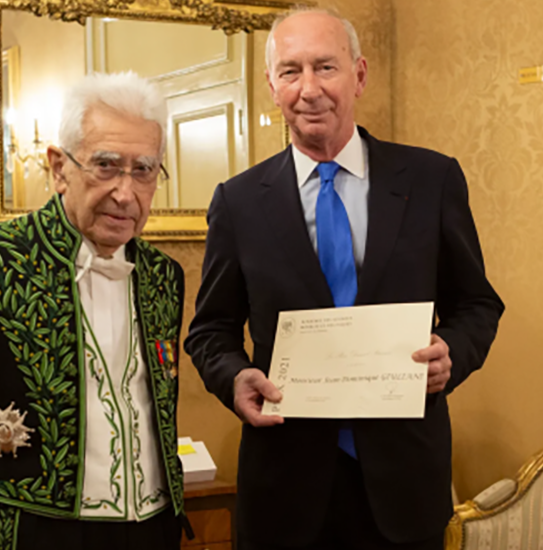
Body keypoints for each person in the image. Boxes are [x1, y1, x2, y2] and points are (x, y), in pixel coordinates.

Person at [184, 9, 505, 550]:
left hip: (405, 485)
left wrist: (453, 350)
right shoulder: (237, 202)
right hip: (284, 489)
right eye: (290, 72)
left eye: (325, 68)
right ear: (271, 85)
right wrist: (234, 378)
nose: (309, 89)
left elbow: (477, 303)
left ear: (358, 75)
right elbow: (210, 330)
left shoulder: (431, 179)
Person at [0, 72, 188, 550]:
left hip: (149, 531)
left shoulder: (163, 276)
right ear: (58, 167)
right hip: (23, 532)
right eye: (106, 166)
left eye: (144, 169)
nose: (126, 193)